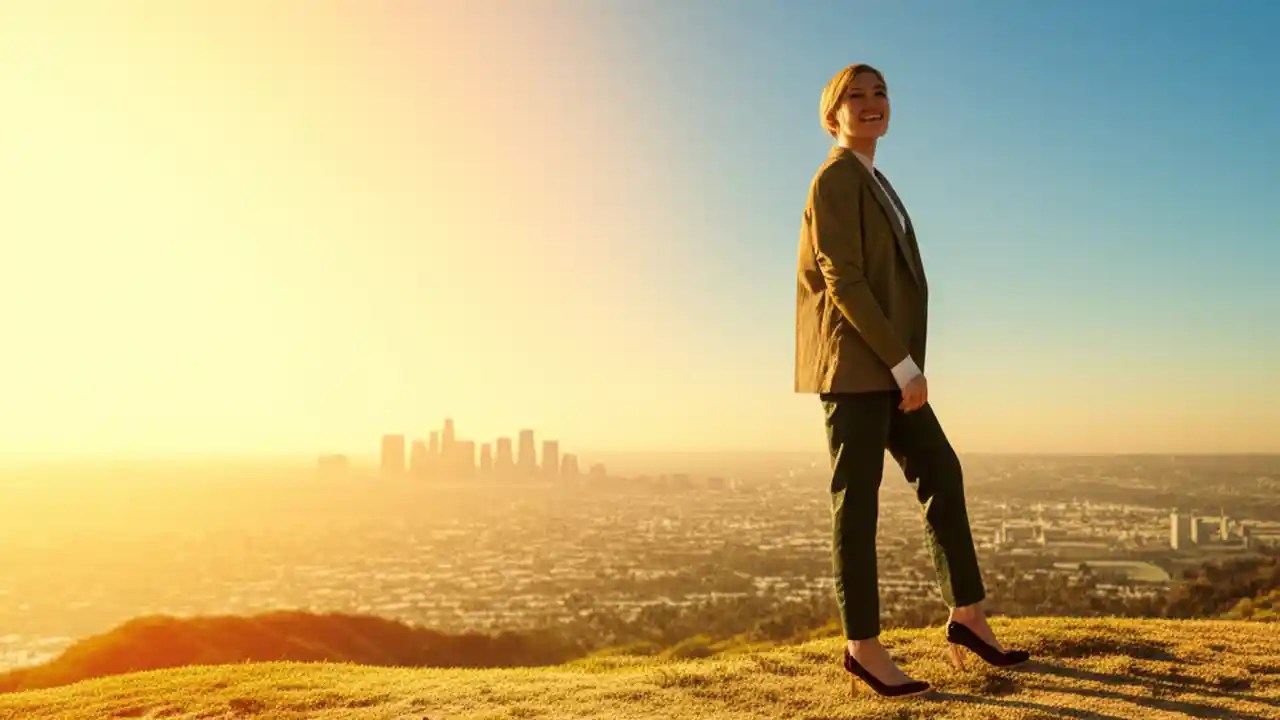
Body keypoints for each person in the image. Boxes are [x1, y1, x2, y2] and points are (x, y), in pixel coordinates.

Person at [794, 62, 1030, 698]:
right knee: (858, 502)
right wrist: (903, 364)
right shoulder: (836, 178)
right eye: (856, 95)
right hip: (857, 369)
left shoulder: (874, 179)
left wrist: (904, 364)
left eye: (880, 93)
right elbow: (842, 278)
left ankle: (968, 616)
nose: (872, 103)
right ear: (832, 114)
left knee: (941, 471)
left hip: (890, 368)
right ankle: (863, 648)